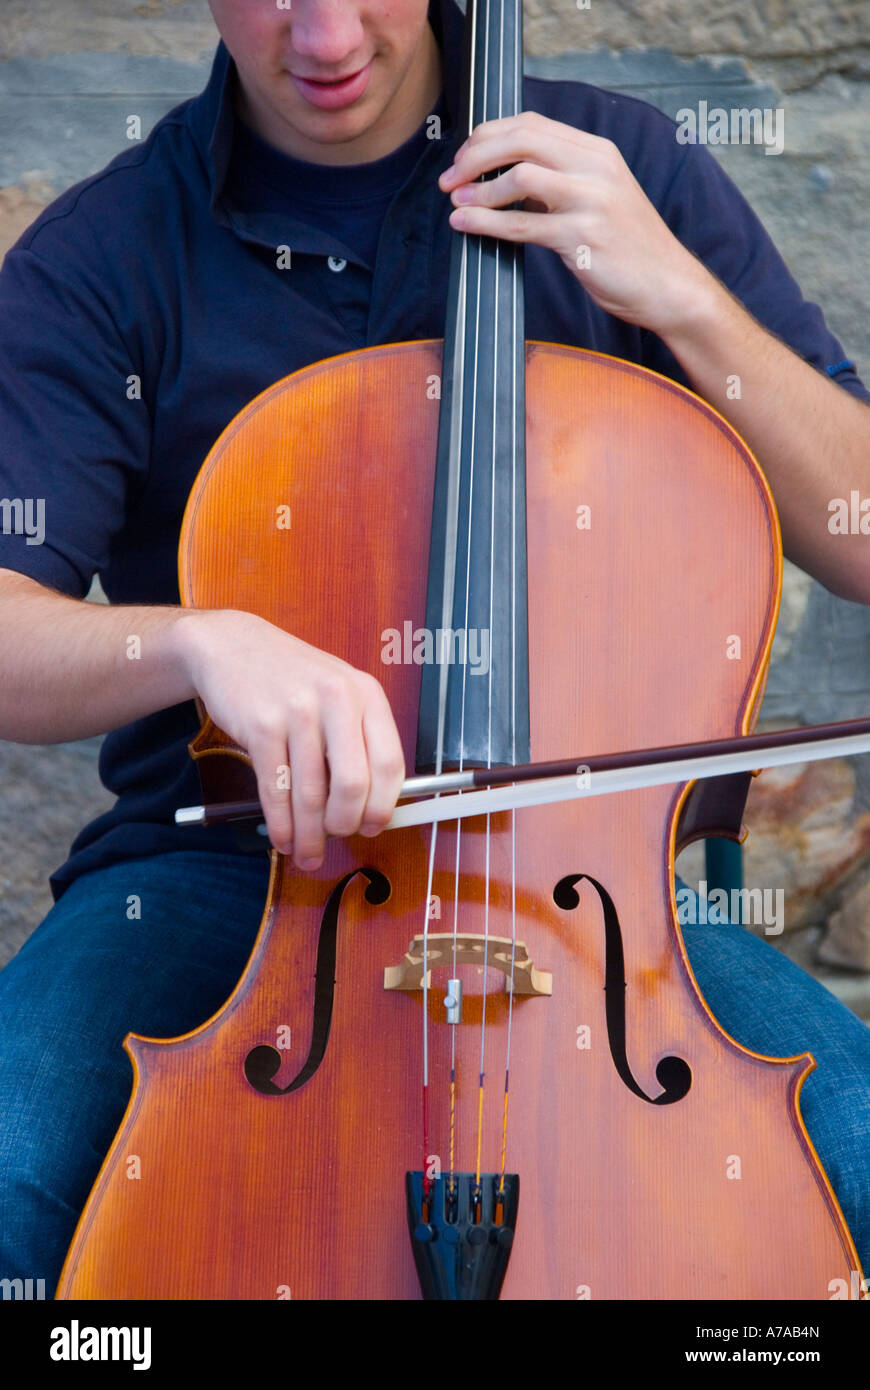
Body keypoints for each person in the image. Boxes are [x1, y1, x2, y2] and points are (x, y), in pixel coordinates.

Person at [0, 0, 868, 1296]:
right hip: (227, 878)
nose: (323, 30)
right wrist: (197, 640)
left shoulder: (625, 170)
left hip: (593, 910)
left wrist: (684, 299)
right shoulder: (109, 252)